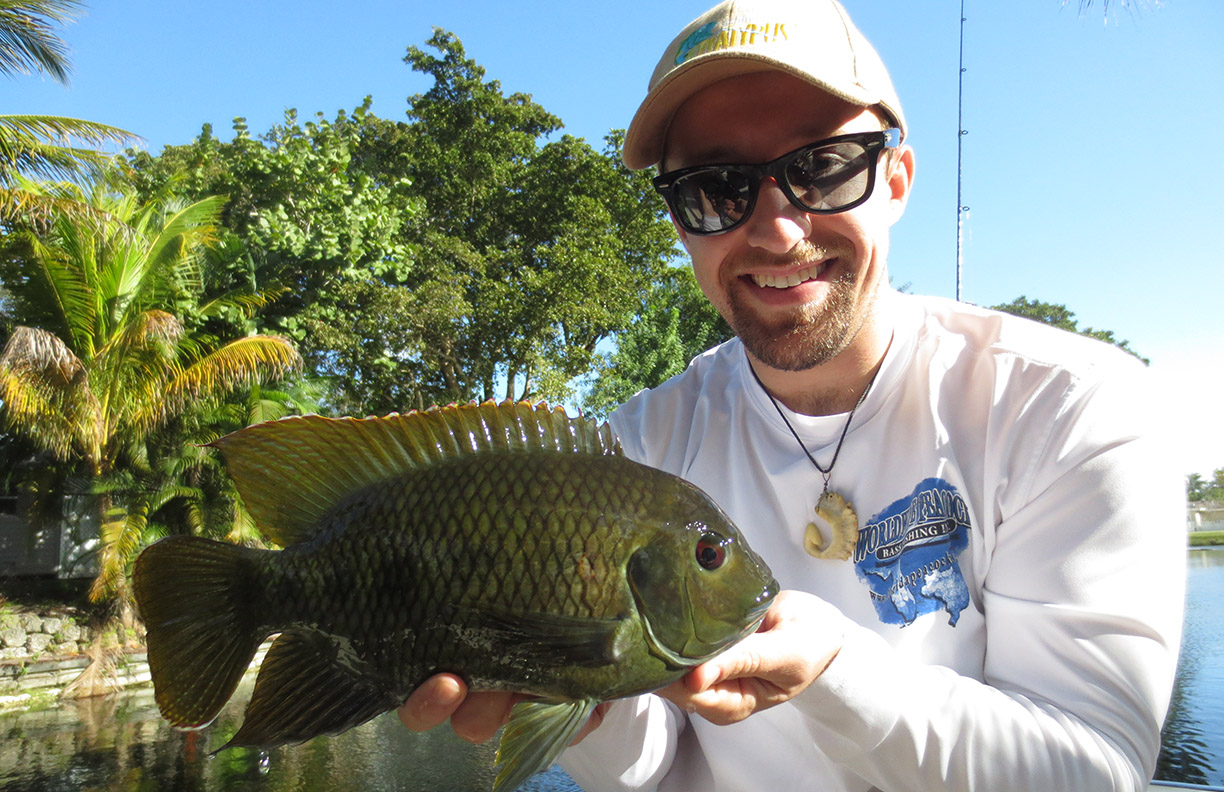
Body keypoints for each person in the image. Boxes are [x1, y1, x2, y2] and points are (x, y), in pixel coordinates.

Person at [398, 0, 1186, 789]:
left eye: (824, 167)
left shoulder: (1071, 409)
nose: (776, 231)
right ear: (678, 221)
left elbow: (1095, 769)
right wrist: (592, 705)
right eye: (715, 189)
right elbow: (651, 769)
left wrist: (837, 669)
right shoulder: (637, 448)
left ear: (897, 180)